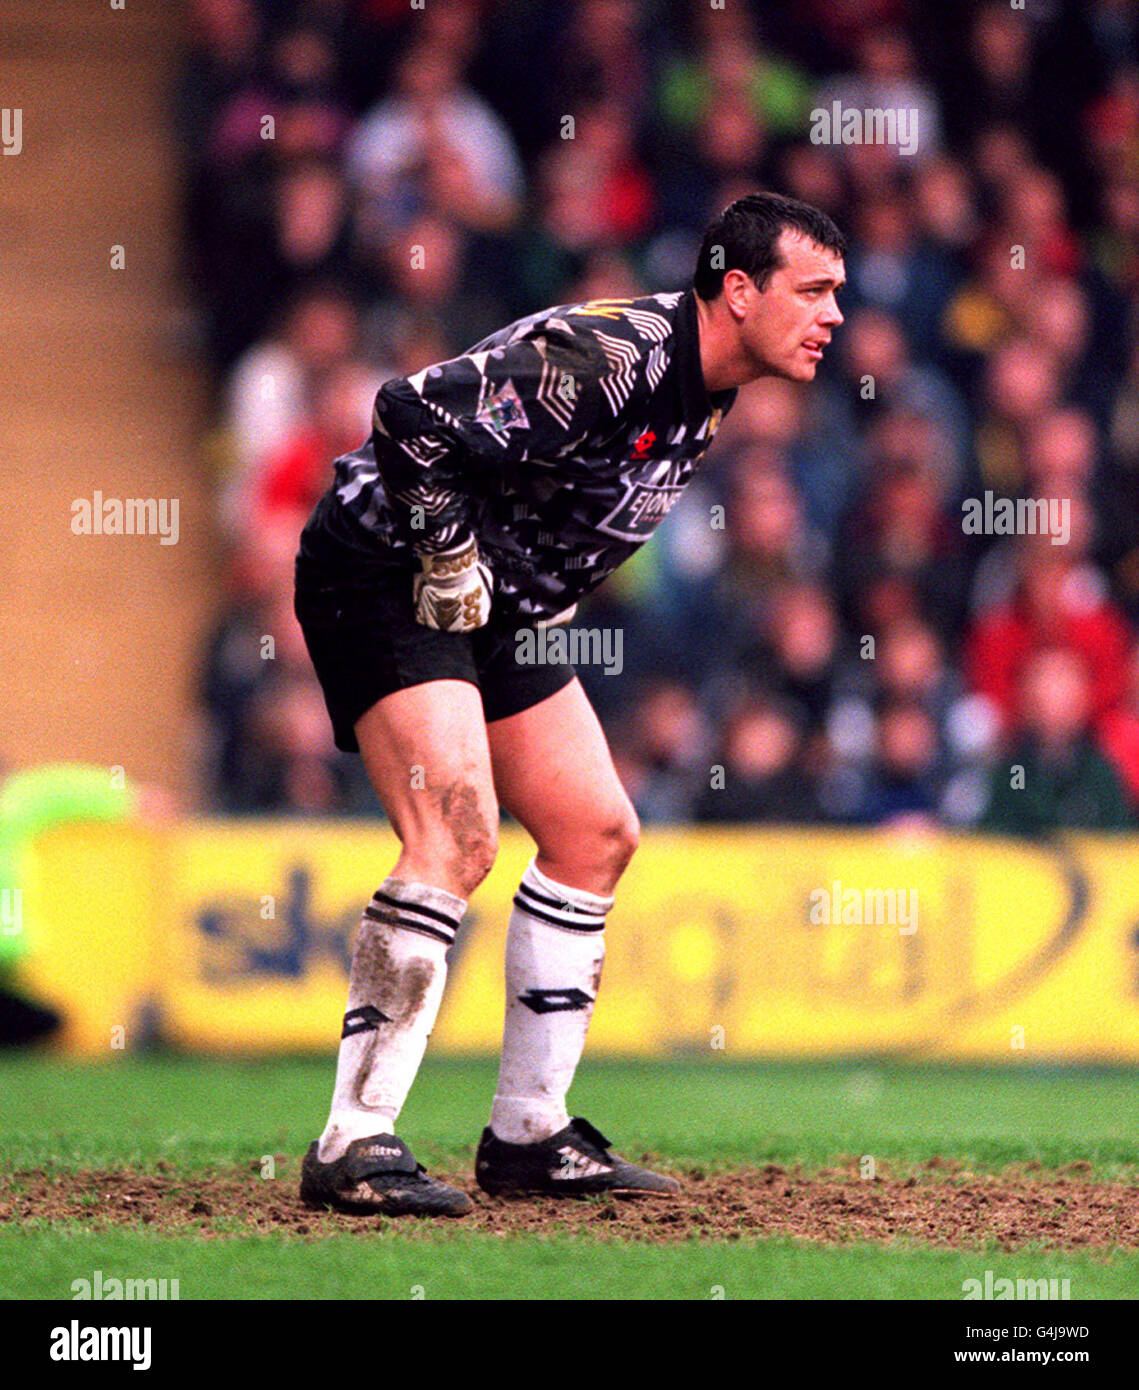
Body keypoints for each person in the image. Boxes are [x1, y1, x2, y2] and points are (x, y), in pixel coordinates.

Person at [293, 191, 846, 1216]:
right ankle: (351, 1139)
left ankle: (526, 1135)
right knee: (455, 838)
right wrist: (448, 551)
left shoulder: (707, 381)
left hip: (492, 603)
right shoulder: (610, 358)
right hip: (385, 568)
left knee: (595, 831)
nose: (832, 316)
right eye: (811, 290)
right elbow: (409, 411)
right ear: (736, 290)